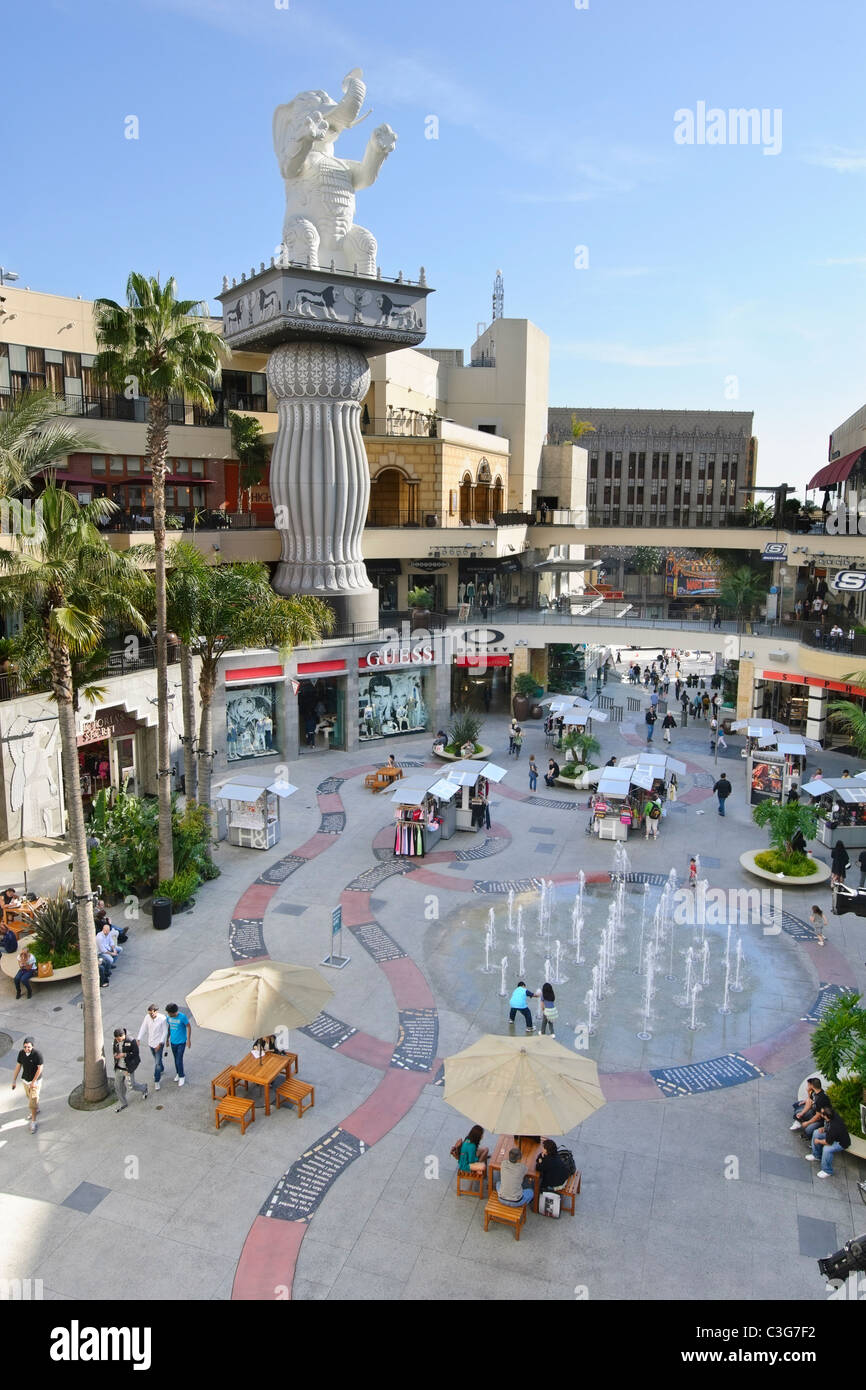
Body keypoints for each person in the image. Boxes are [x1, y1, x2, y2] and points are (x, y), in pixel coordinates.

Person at [807, 1104, 851, 1177]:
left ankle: (827, 1171)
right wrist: (824, 1129)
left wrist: (818, 1141)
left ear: (826, 1116)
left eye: (821, 1113)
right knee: (816, 1133)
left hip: (841, 1143)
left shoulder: (834, 1127)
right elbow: (828, 1125)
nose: (820, 1114)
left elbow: (828, 1142)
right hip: (833, 1136)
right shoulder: (832, 1115)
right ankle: (816, 1155)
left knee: (827, 1149)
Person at [11, 1036, 43, 1133]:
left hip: (35, 1082)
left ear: (32, 1046)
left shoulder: (37, 1055)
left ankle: (33, 1122)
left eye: (28, 1047)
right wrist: (14, 1080)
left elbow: (40, 1069)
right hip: (25, 1080)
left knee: (32, 1101)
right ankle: (36, 1109)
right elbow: (18, 1066)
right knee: (29, 1097)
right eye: (25, 1047)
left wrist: (33, 1082)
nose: (26, 1049)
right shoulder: (21, 1053)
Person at [113, 1027, 148, 1111]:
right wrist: (115, 1055)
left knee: (132, 1086)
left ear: (123, 1035)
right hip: (119, 1067)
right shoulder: (116, 1041)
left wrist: (124, 1055)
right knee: (117, 1086)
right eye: (116, 1039)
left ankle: (144, 1088)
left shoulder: (131, 1041)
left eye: (119, 1039)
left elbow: (136, 1054)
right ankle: (123, 1103)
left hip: (128, 1068)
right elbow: (114, 1049)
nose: (118, 1040)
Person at [137, 1004, 169, 1090]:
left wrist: (160, 1043)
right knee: (156, 1059)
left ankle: (157, 1080)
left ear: (156, 1011)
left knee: (157, 1063)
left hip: (159, 1044)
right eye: (149, 1013)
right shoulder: (147, 1017)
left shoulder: (162, 1019)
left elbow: (165, 1031)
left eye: (152, 1013)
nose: (150, 1015)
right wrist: (139, 1038)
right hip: (151, 1043)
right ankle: (161, 1069)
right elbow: (143, 1027)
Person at [165, 1003, 192, 1085]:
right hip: (173, 1041)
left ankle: (182, 1076)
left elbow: (188, 1026)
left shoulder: (182, 1017)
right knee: (175, 1058)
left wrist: (188, 1040)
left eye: (169, 1013)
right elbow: (169, 1027)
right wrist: (167, 1039)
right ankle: (178, 1073)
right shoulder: (168, 1017)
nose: (168, 1014)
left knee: (179, 1060)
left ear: (174, 1012)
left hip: (181, 1042)